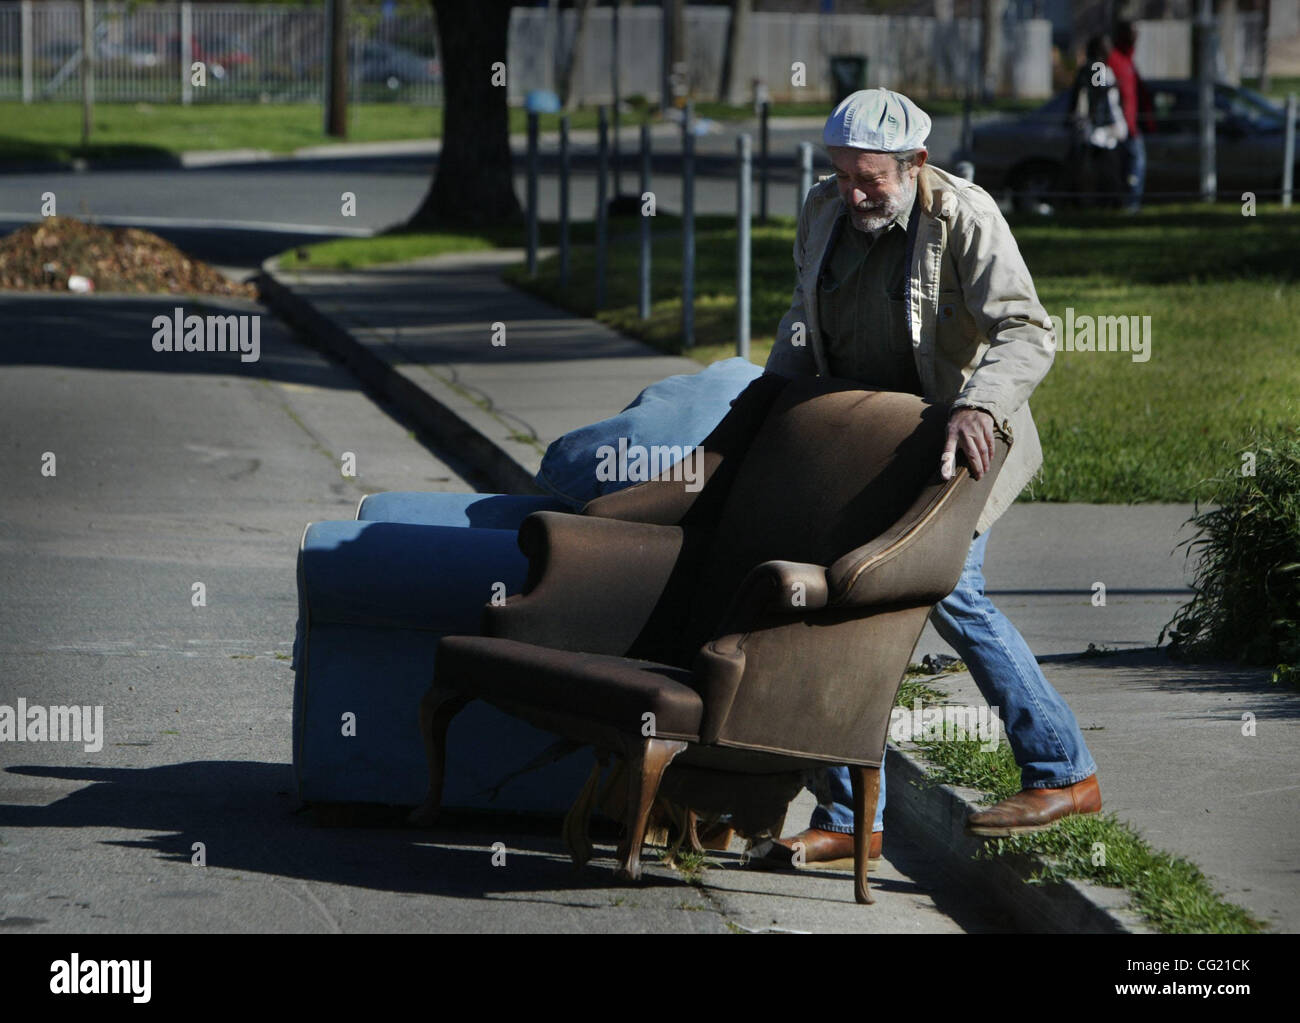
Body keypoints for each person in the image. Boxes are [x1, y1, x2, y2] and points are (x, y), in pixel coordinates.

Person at [755, 88, 1101, 870]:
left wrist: (978, 406)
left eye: (870, 178)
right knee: (835, 607)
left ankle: (1063, 773)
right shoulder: (822, 211)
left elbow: (1027, 330)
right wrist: (767, 408)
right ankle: (849, 817)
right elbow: (801, 319)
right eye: (842, 175)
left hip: (956, 444)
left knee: (952, 589)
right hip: (857, 445)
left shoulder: (967, 218)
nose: (853, 193)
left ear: (915, 164)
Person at [1067, 36, 1128, 207]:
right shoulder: (1097, 66)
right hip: (1099, 131)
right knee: (1105, 170)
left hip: (1097, 129)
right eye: (1107, 46)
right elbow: (1098, 93)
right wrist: (1113, 87)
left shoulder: (1095, 67)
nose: (1111, 50)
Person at [1108, 20, 1155, 213]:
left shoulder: (1128, 61)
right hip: (1120, 128)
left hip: (1132, 127)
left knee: (1133, 167)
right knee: (1132, 166)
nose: (1135, 37)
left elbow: (1140, 95)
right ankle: (1129, 204)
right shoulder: (1114, 60)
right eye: (1131, 32)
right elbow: (1102, 89)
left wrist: (1150, 122)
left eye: (1136, 33)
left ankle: (1130, 203)